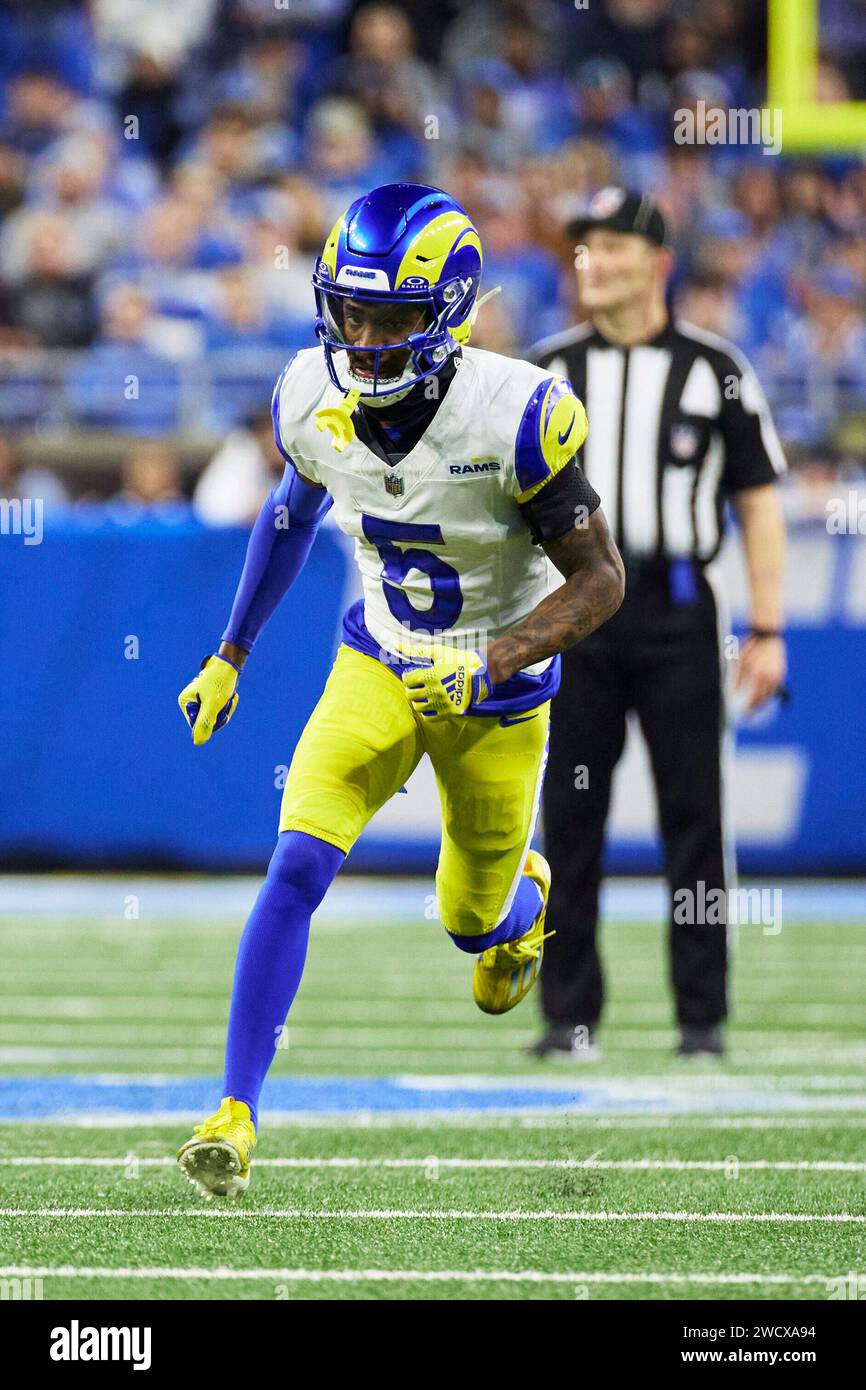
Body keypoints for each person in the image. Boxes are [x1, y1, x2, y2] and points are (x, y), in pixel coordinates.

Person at [174, 182, 624, 1196]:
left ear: (449, 314)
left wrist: (494, 659)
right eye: (353, 314)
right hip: (377, 657)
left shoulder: (517, 415)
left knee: (469, 918)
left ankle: (522, 902)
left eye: (394, 320)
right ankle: (237, 1109)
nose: (367, 339)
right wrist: (229, 652)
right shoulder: (309, 394)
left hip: (495, 697)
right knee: (295, 864)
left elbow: (601, 580)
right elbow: (290, 515)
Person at [528, 187, 787, 1061]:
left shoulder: (716, 368)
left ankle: (701, 1018)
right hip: (574, 618)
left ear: (659, 263)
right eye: (584, 247)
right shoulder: (546, 371)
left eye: (612, 245)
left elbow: (757, 501)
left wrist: (768, 626)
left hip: (678, 612)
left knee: (694, 816)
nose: (592, 262)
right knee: (569, 817)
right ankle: (568, 1017)